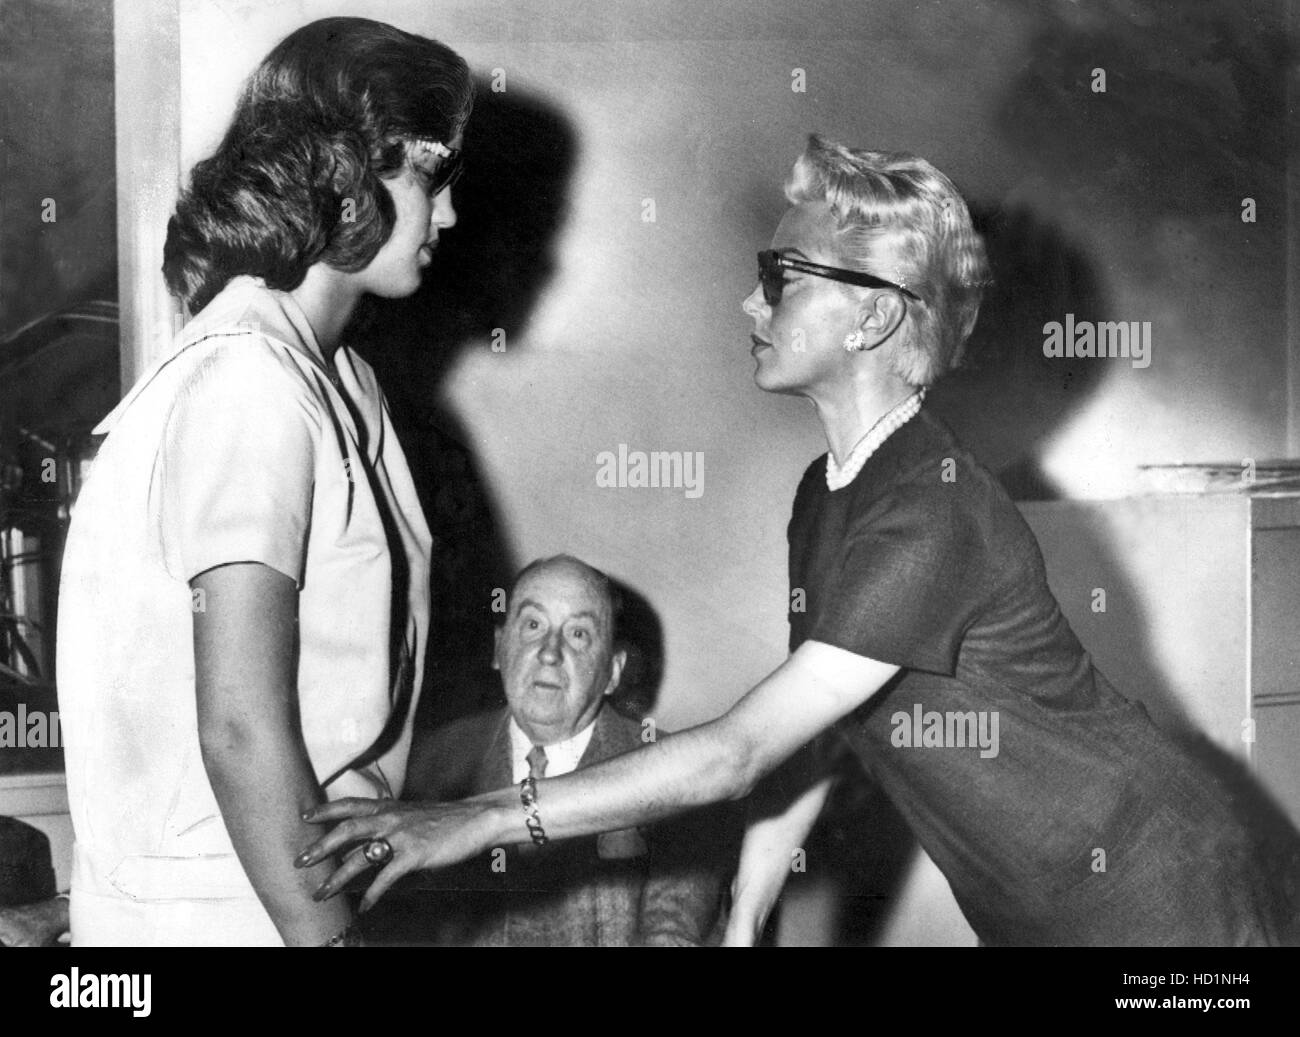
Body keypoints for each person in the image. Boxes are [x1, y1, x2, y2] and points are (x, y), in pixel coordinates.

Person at [299, 135, 1300, 947]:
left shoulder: (931, 510)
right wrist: (739, 915)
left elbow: (736, 750)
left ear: (868, 316)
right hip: (1037, 908)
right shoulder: (823, 496)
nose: (750, 301)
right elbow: (807, 737)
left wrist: (474, 816)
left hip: (1165, 896)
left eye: (779, 274)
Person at [56, 17, 473, 946]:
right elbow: (240, 730)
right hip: (240, 919)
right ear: (348, 172)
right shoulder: (251, 381)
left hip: (288, 901)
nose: (446, 214)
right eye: (431, 176)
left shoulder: (336, 380)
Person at [363, 555, 733, 946]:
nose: (550, 652)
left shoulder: (678, 775)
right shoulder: (431, 763)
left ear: (613, 672)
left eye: (578, 634)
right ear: (498, 647)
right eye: (534, 625)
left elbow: (675, 928)